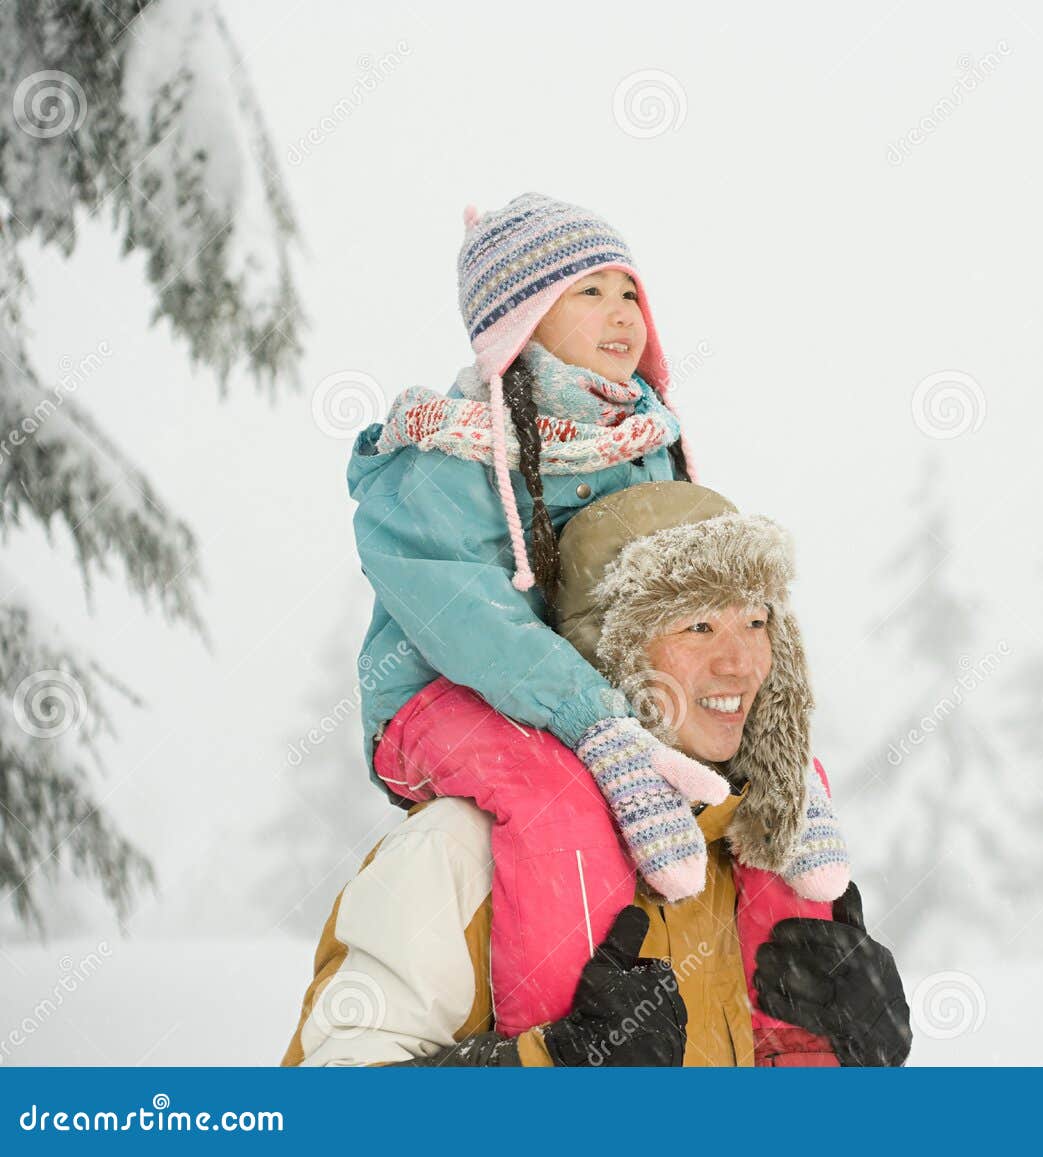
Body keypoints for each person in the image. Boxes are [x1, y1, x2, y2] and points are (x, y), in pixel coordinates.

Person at [347, 192, 850, 1034]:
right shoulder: (441, 456)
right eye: (589, 292)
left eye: (630, 292)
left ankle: (803, 1039)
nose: (622, 314)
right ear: (521, 317)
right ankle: (584, 1039)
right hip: (445, 699)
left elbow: (695, 587)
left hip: (590, 693)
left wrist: (767, 709)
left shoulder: (643, 435)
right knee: (558, 796)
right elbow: (472, 623)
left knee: (778, 769)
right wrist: (597, 722)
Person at [282, 483, 910, 1067]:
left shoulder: (750, 848)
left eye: (756, 621)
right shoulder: (460, 851)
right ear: (604, 651)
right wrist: (543, 1068)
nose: (742, 665)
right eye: (698, 625)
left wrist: (854, 1060)